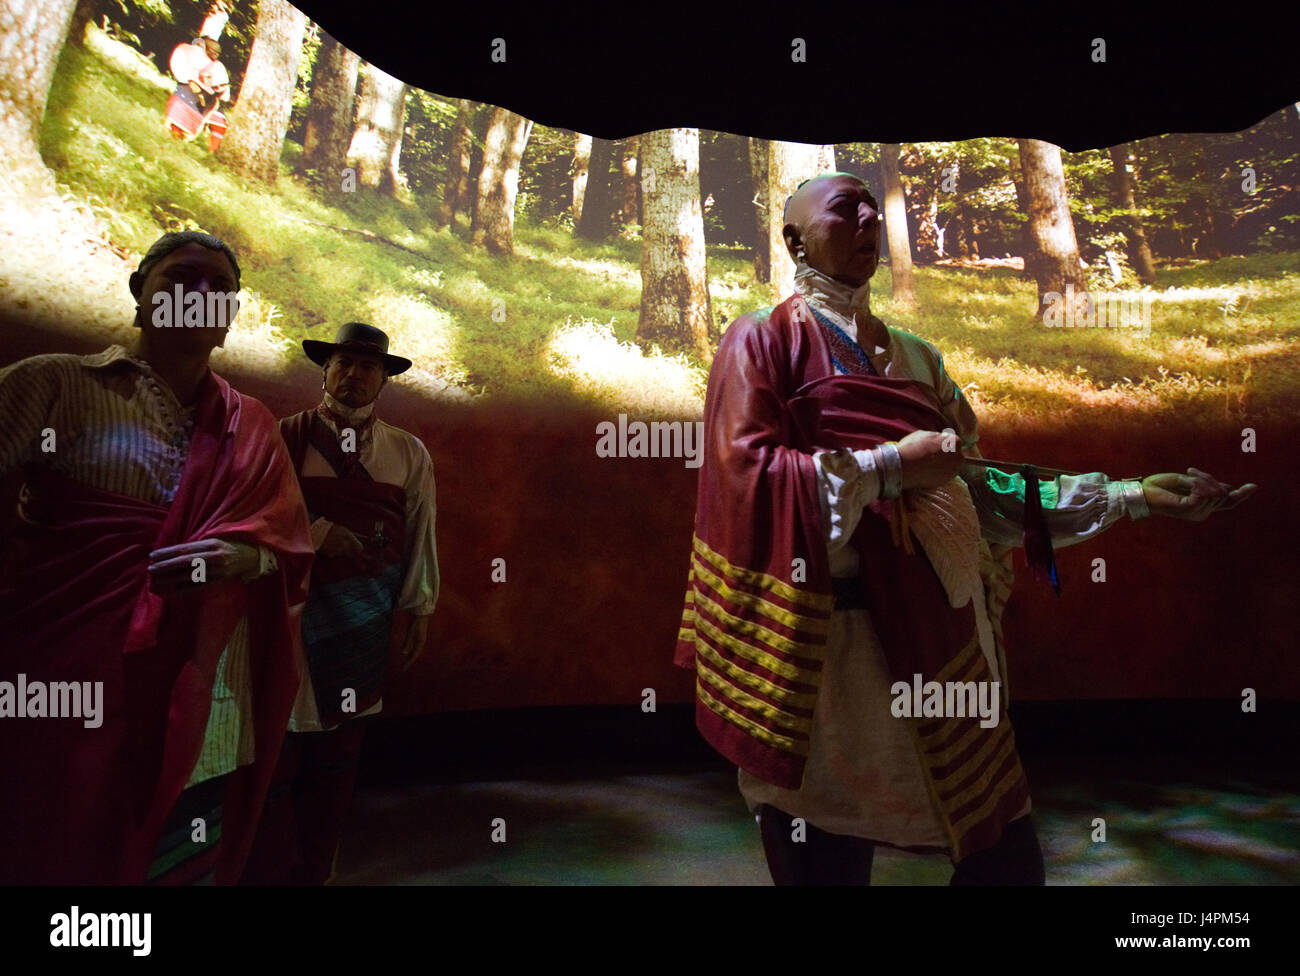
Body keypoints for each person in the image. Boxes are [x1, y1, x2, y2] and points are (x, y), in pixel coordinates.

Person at [673, 172, 1256, 886]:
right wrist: (889, 466)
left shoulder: (916, 359)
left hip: (946, 649)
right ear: (794, 237)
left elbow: (980, 494)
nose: (865, 218)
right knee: (825, 858)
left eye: (870, 206)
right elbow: (748, 486)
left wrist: (1134, 496)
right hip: (837, 667)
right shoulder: (759, 344)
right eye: (842, 208)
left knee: (1005, 861)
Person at [0, 231, 315, 884]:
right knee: (45, 830)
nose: (200, 296)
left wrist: (243, 561)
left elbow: (288, 554)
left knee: (152, 848)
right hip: (58, 670)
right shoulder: (54, 384)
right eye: (182, 277)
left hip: (189, 687)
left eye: (219, 289)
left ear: (228, 320)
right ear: (140, 294)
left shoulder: (249, 425)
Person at [241, 322, 439, 885]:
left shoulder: (408, 453)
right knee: (278, 752)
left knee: (338, 758)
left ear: (384, 378)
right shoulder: (285, 437)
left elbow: (421, 531)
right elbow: (255, 513)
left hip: (364, 626)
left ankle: (315, 871)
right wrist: (322, 533)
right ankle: (268, 871)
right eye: (343, 364)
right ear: (324, 371)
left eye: (368, 366)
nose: (354, 375)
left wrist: (419, 606)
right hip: (290, 619)